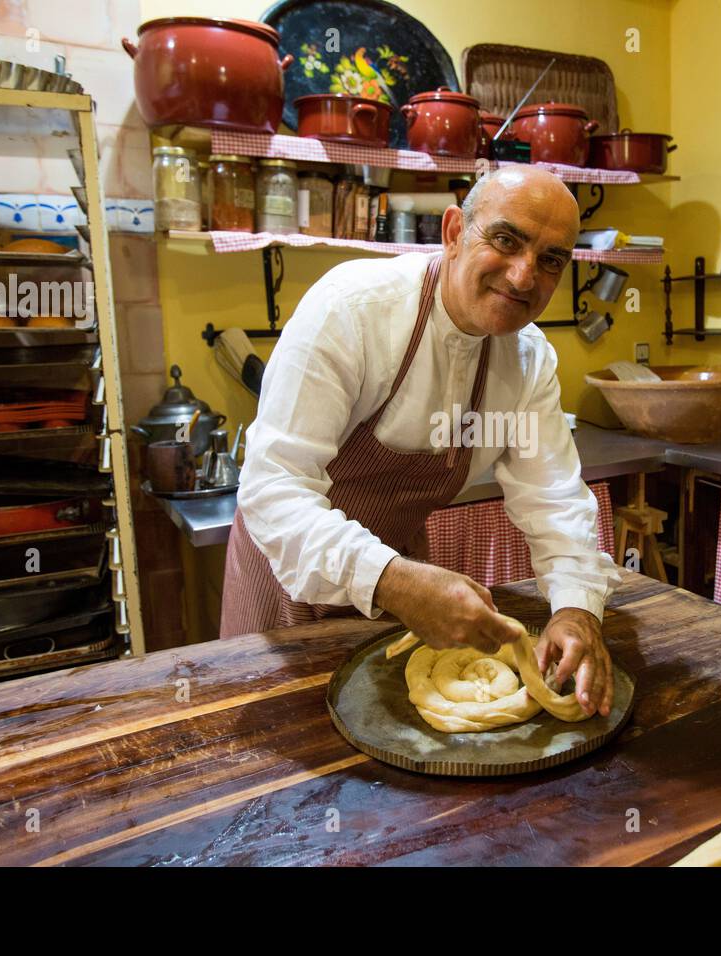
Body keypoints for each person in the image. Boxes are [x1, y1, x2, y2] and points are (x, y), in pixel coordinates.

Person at [221, 165, 621, 717]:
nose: (524, 277)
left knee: (389, 738)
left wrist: (576, 607)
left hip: (404, 582)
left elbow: (553, 499)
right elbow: (274, 490)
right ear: (454, 232)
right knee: (284, 740)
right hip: (286, 574)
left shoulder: (528, 361)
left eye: (551, 260)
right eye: (506, 240)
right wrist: (393, 581)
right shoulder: (350, 311)